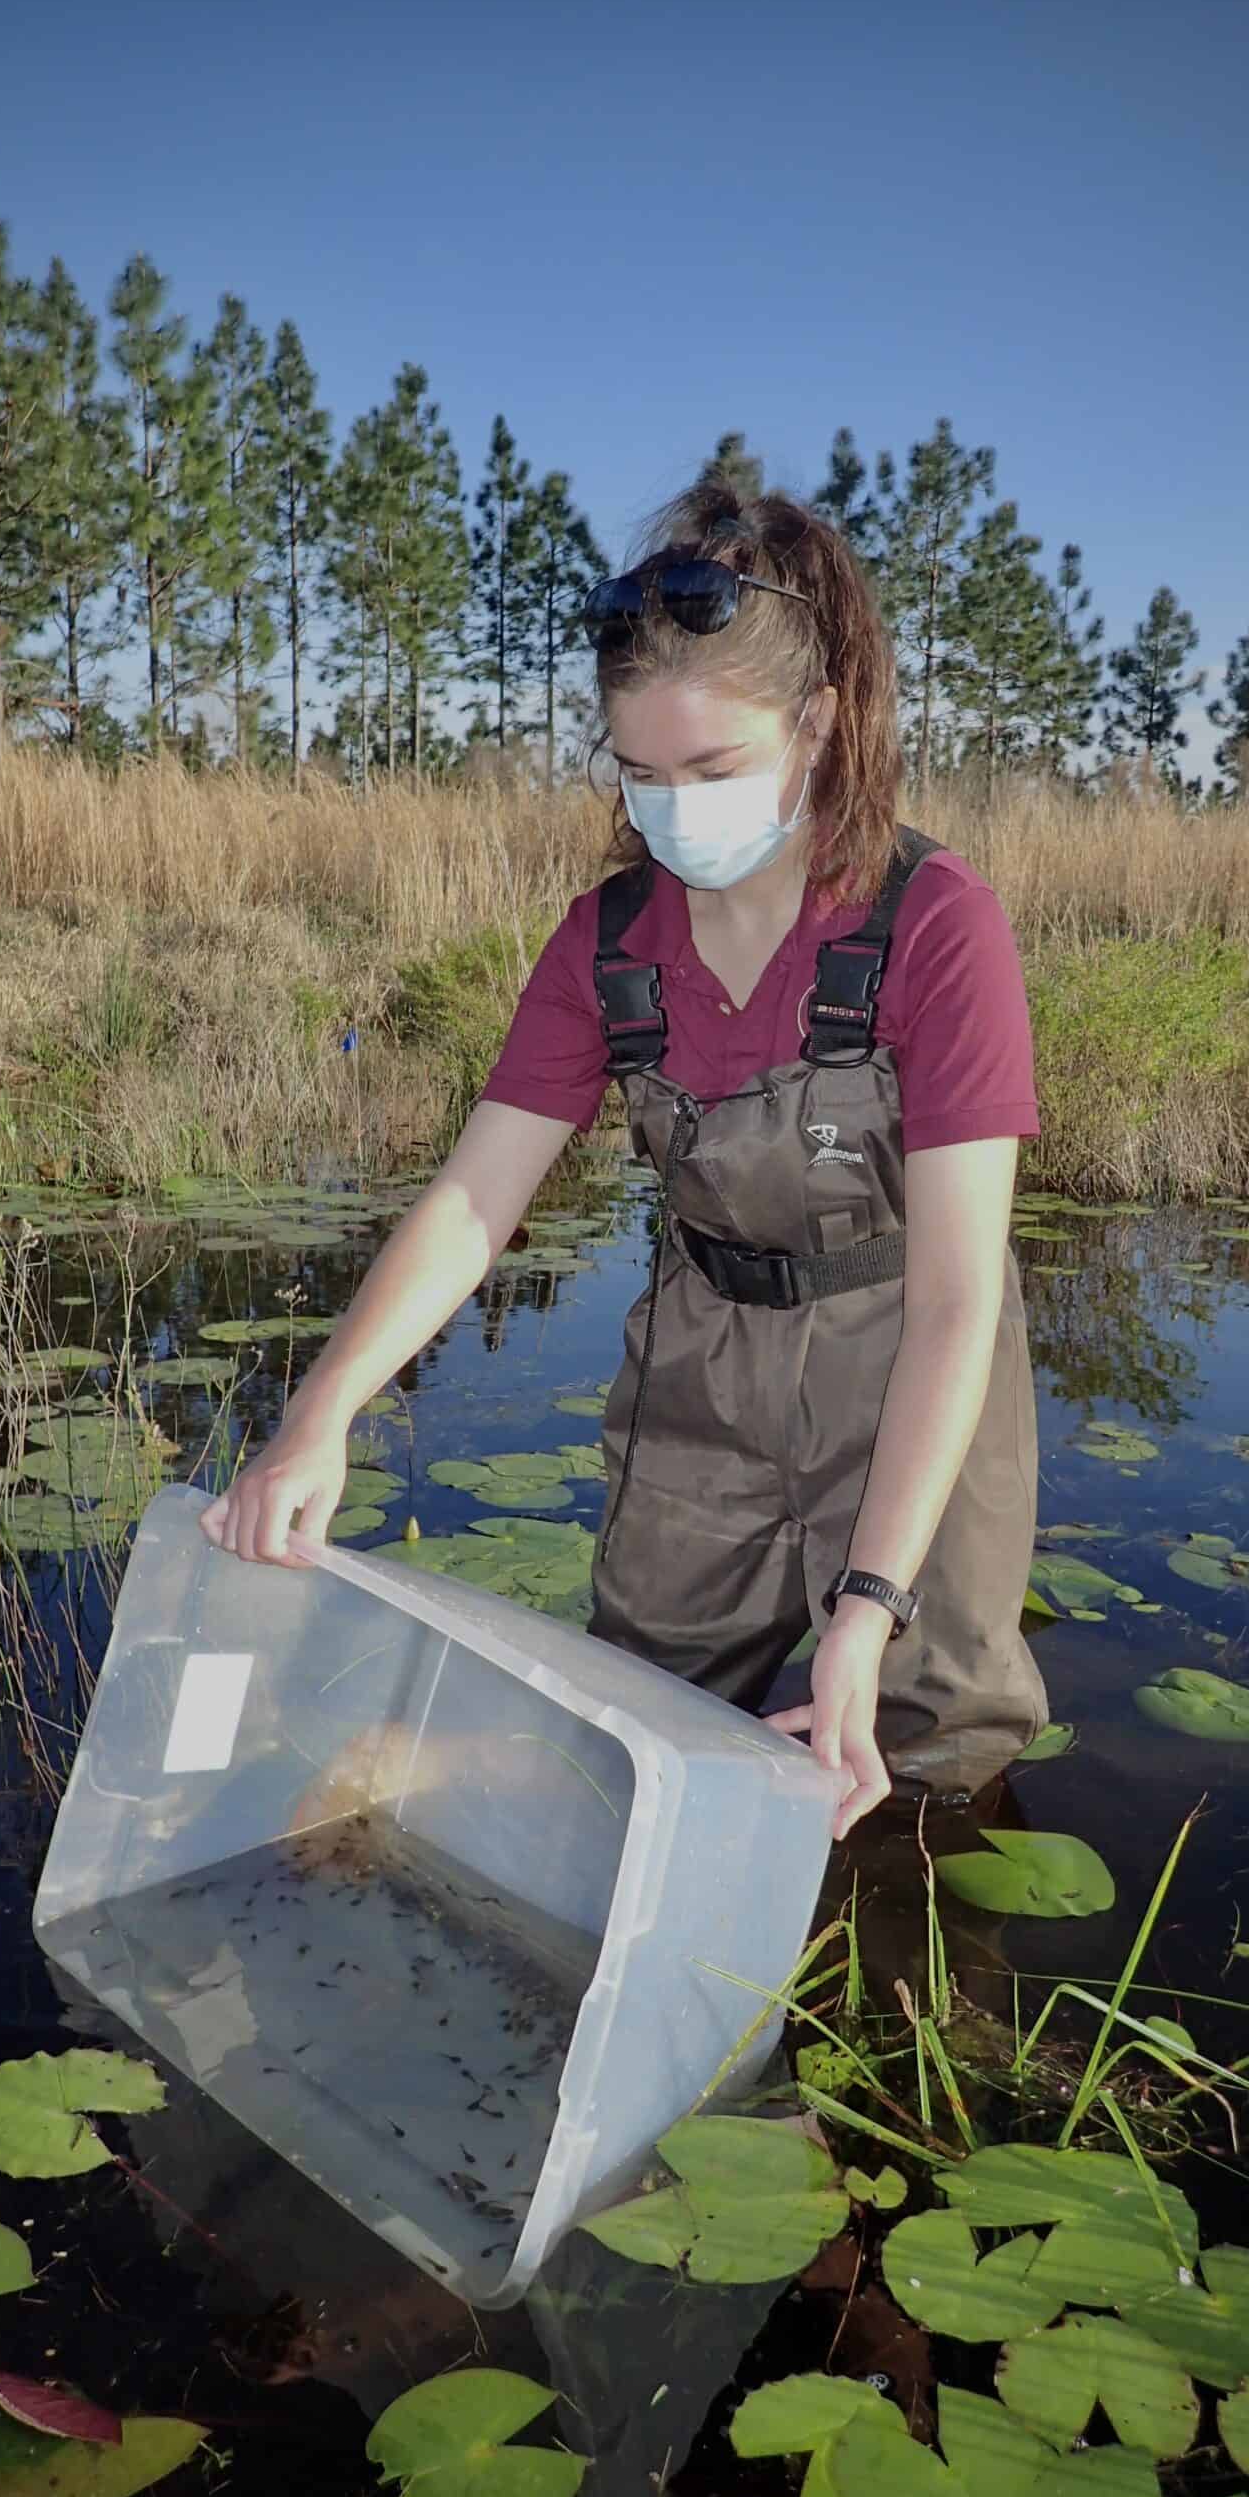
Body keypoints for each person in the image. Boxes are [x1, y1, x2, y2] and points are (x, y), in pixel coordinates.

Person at [203, 477, 1047, 1838]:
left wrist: (869, 1600)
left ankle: (897, 1993)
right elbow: (476, 1201)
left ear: (819, 726)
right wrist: (321, 1414)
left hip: (906, 1354)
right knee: (638, 1705)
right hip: (702, 1354)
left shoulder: (935, 925)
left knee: (921, 1735)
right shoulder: (606, 944)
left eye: (712, 773)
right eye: (641, 776)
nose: (673, 810)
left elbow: (957, 1300)